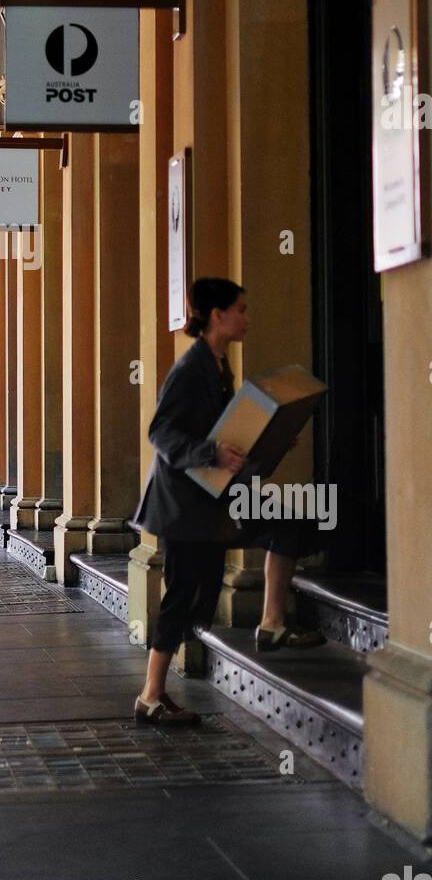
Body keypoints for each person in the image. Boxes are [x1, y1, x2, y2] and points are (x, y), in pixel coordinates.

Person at [133, 278, 325, 726]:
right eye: (240, 308)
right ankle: (150, 695)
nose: (246, 316)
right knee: (183, 595)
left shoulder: (219, 366)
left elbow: (226, 433)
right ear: (216, 316)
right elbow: (161, 434)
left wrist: (270, 440)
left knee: (286, 525)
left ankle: (272, 623)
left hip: (213, 499)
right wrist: (212, 453)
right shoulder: (190, 369)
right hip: (185, 507)